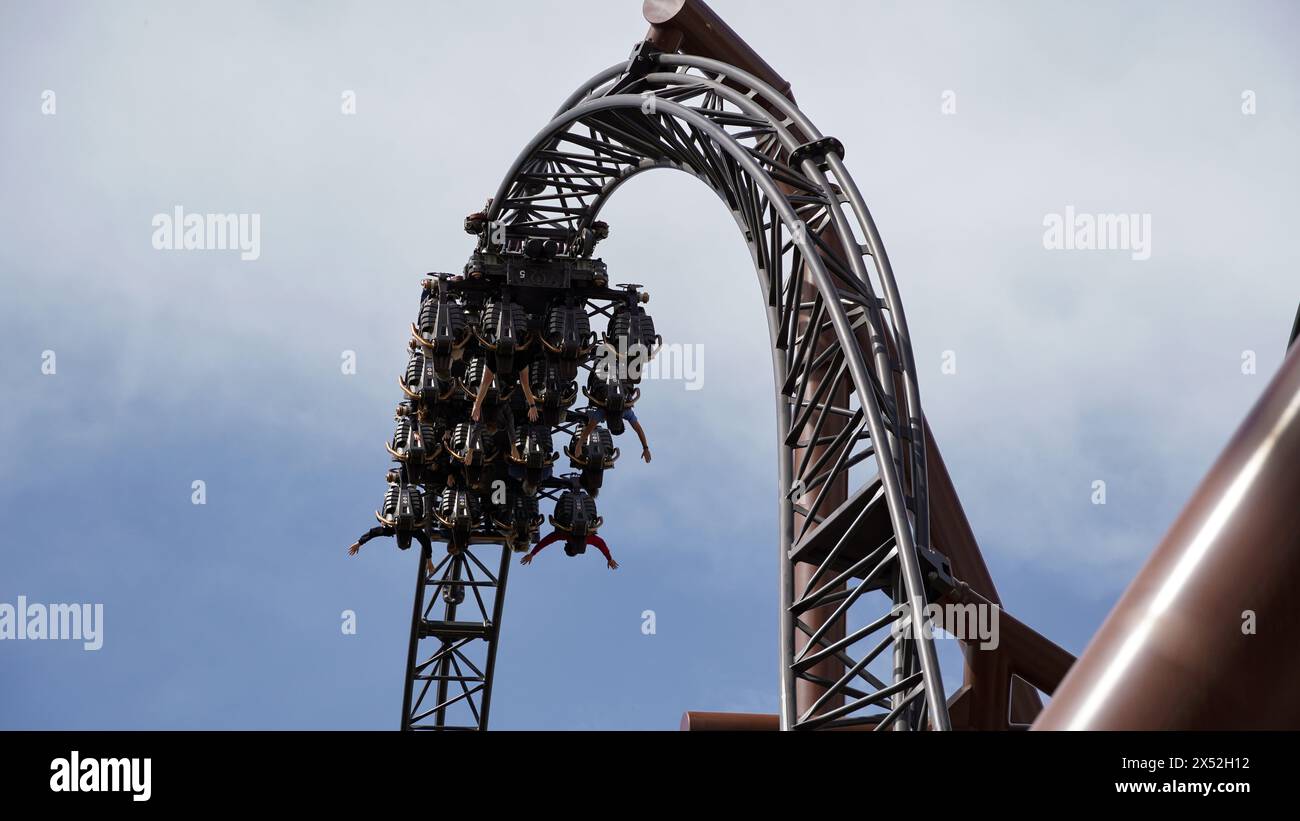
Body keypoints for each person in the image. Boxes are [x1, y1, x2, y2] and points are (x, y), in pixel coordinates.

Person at [348, 525, 435, 575]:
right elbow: (425, 542)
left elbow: (373, 532)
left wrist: (359, 542)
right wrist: (359, 543)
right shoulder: (413, 530)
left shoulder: (392, 529)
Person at [579, 407, 651, 463]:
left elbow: (639, 430)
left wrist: (645, 448)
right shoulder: (602, 412)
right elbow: (588, 429)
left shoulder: (626, 412)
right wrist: (578, 446)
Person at [520, 530, 618, 569]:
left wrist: (609, 559)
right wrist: (532, 554)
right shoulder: (564, 534)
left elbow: (601, 544)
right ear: (568, 546)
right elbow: (546, 541)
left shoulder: (589, 538)